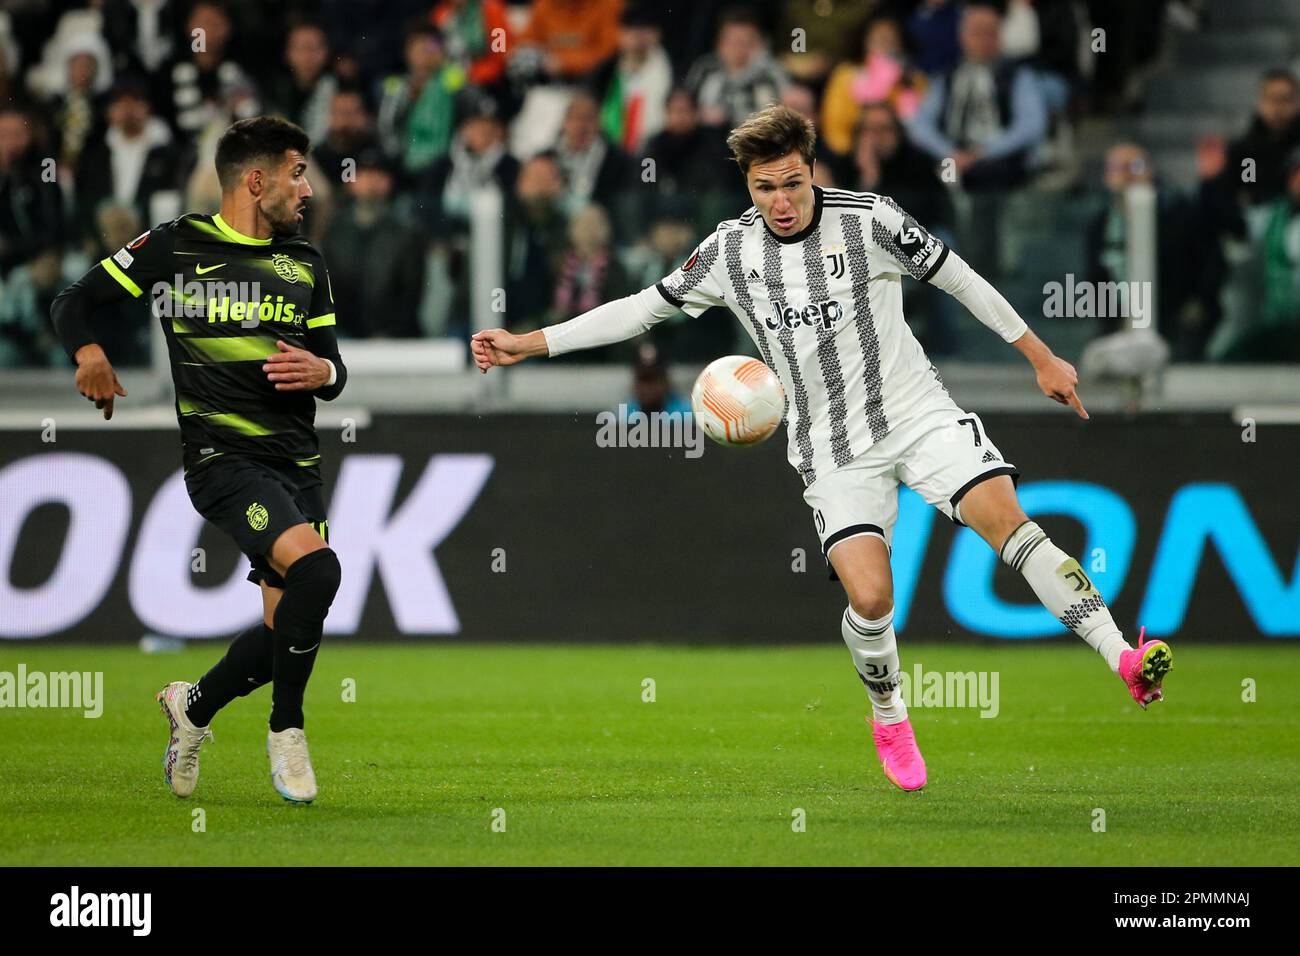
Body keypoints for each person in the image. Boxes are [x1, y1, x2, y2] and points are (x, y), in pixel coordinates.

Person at [471, 104, 1173, 793]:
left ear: (813, 172)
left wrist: (1041, 355)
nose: (779, 200)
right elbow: (641, 307)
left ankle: (1123, 658)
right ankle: (890, 714)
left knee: (1010, 523)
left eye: (791, 183)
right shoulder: (727, 251)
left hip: (917, 412)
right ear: (748, 186)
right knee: (871, 599)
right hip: (831, 448)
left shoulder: (870, 218)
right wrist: (530, 344)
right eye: (763, 187)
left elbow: (959, 277)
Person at [49, 116, 347, 805]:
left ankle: (194, 707)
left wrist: (323, 374)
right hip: (221, 459)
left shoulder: (305, 263)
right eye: (297, 173)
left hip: (297, 463)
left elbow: (338, 368)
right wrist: (89, 352)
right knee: (319, 570)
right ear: (256, 179)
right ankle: (287, 730)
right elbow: (74, 301)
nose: (306, 190)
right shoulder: (178, 246)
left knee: (288, 627)